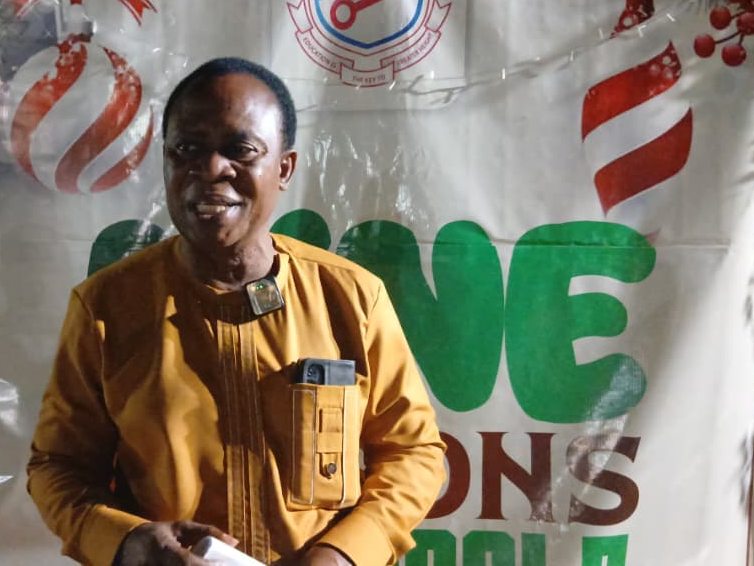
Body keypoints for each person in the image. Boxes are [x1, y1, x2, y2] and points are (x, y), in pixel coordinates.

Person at [27, 57, 446, 566]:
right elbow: (58, 467)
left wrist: (344, 554)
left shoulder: (353, 297)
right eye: (187, 150)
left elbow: (413, 453)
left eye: (240, 150)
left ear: (284, 168)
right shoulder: (106, 308)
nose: (210, 170)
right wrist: (129, 542)